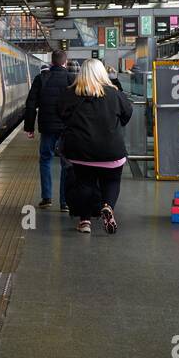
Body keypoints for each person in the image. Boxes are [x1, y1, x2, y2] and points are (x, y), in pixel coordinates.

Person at [57, 58, 133, 234]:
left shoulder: (70, 94)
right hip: (111, 151)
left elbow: (61, 114)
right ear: (103, 74)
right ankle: (107, 206)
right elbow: (127, 115)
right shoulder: (115, 94)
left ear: (81, 74)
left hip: (80, 151)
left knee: (84, 183)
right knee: (112, 181)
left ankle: (85, 222)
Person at [23, 50, 75, 210]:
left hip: (47, 127)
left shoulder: (41, 78)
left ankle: (47, 198)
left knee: (45, 159)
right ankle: (65, 202)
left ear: (52, 62)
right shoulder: (71, 79)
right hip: (67, 129)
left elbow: (31, 104)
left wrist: (29, 127)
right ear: (65, 63)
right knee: (66, 163)